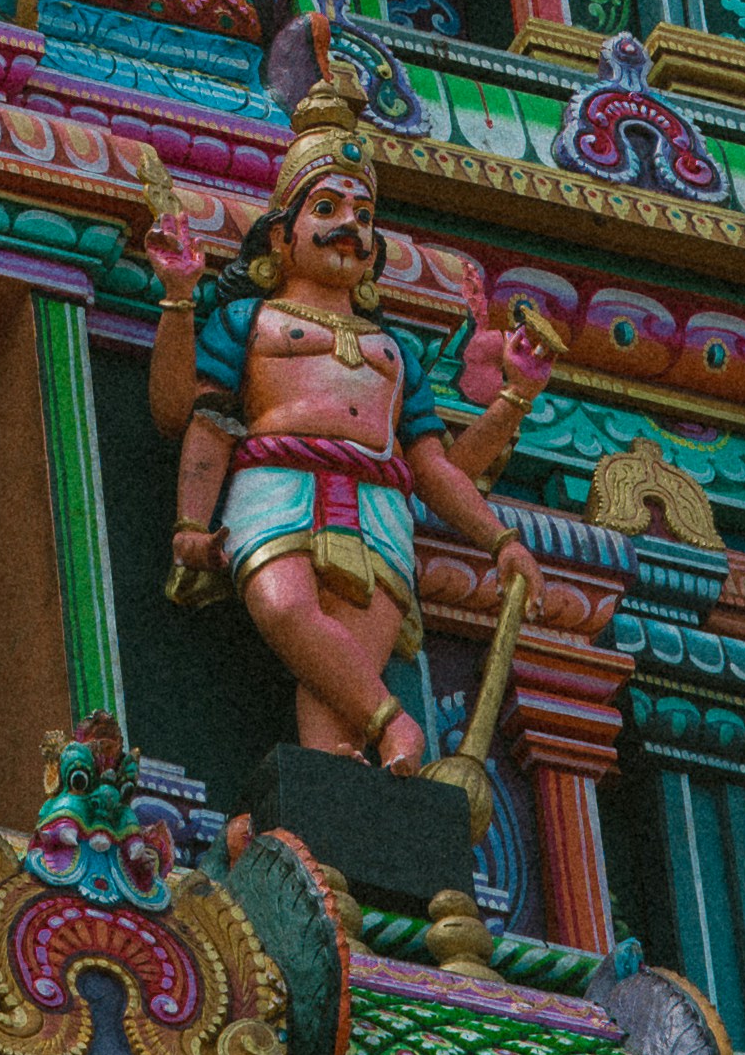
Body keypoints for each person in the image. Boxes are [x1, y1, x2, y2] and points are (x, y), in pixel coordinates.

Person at [144, 74, 543, 764]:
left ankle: (338, 808)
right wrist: (190, 525)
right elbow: (193, 416)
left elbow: (437, 468)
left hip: (379, 503)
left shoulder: (396, 351)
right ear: (280, 237)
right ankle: (398, 722)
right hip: (276, 487)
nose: (349, 228)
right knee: (284, 607)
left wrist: (501, 525)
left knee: (333, 686)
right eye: (327, 207)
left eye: (363, 218)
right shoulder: (250, 320)